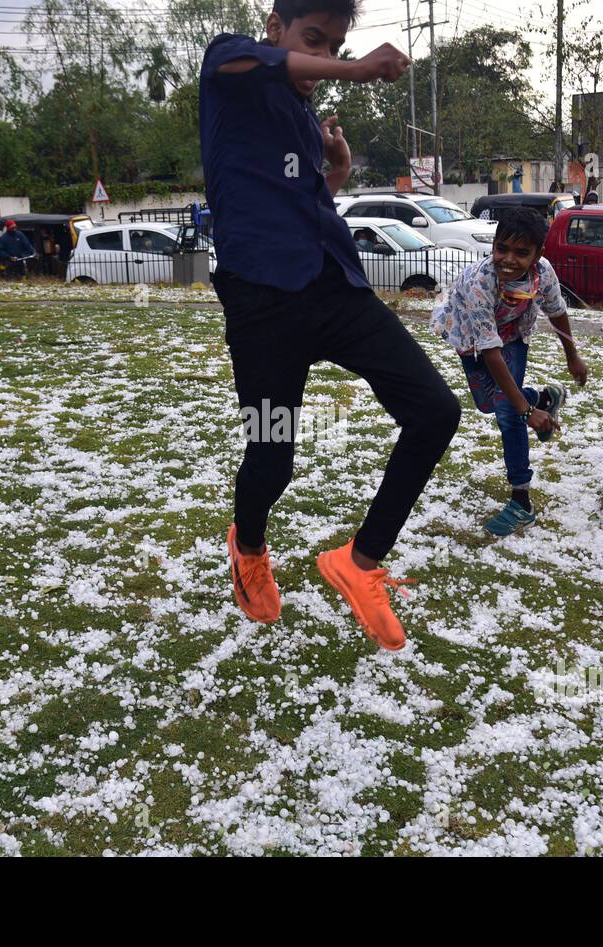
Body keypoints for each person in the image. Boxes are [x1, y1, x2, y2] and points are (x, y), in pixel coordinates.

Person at [202, 1, 460, 652]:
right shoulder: (227, 64)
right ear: (275, 29)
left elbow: (294, 196)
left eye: (335, 43)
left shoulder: (303, 115)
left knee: (434, 411)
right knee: (273, 455)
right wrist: (360, 68)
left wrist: (332, 174)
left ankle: (359, 561)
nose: (321, 59)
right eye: (312, 41)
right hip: (263, 305)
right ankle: (250, 547)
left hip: (335, 287)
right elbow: (255, 65)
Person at [431, 206, 588, 536]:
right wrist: (529, 406)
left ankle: (521, 502)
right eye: (501, 248)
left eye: (521, 252)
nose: (508, 259)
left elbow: (557, 313)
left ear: (537, 254)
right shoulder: (479, 284)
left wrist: (572, 356)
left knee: (507, 412)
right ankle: (544, 398)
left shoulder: (543, 273)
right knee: (488, 404)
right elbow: (489, 352)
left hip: (514, 335)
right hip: (472, 337)